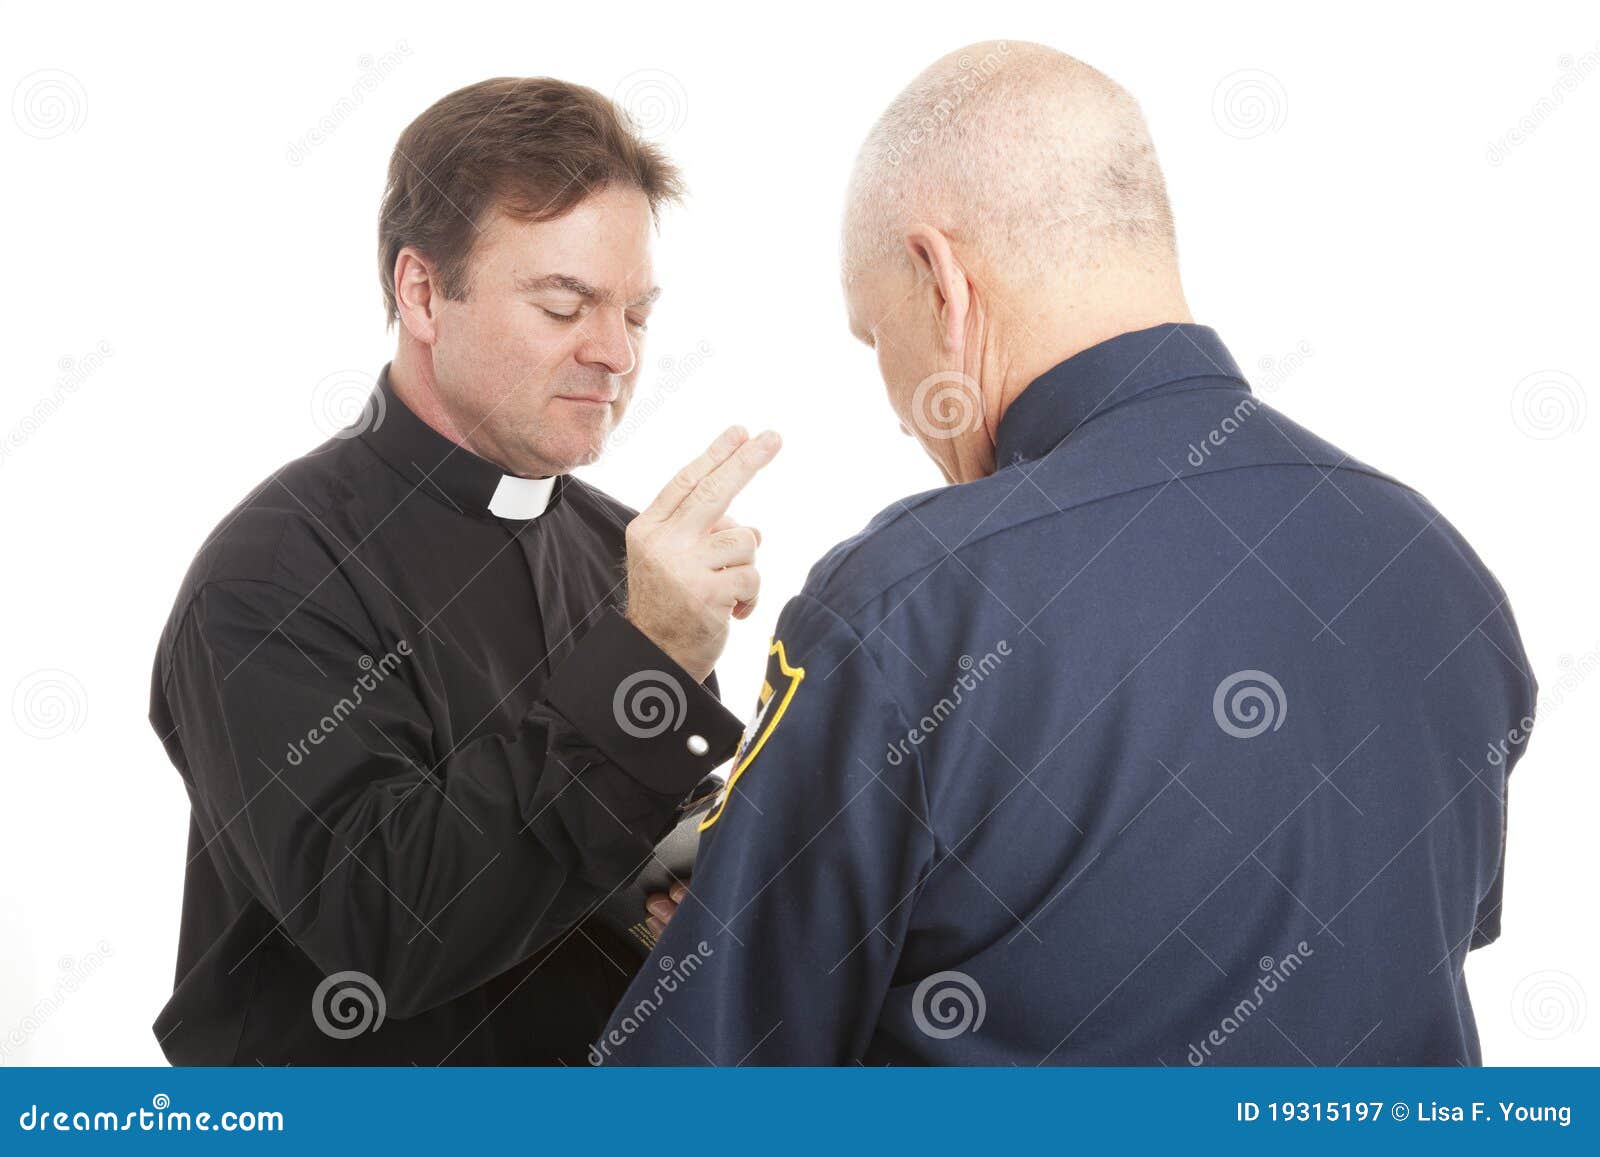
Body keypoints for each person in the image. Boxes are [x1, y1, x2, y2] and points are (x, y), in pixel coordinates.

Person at [596, 42, 1536, 1066]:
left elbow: (699, 1079)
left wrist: (717, 929)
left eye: (877, 339)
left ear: (940, 280)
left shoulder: (911, 603)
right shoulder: (1439, 569)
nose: (902, 412)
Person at [148, 77, 779, 1065]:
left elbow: (606, 843)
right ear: (422, 291)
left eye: (637, 314)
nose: (613, 352)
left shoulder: (621, 550)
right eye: (563, 303)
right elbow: (384, 933)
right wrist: (644, 661)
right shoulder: (270, 574)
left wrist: (690, 886)